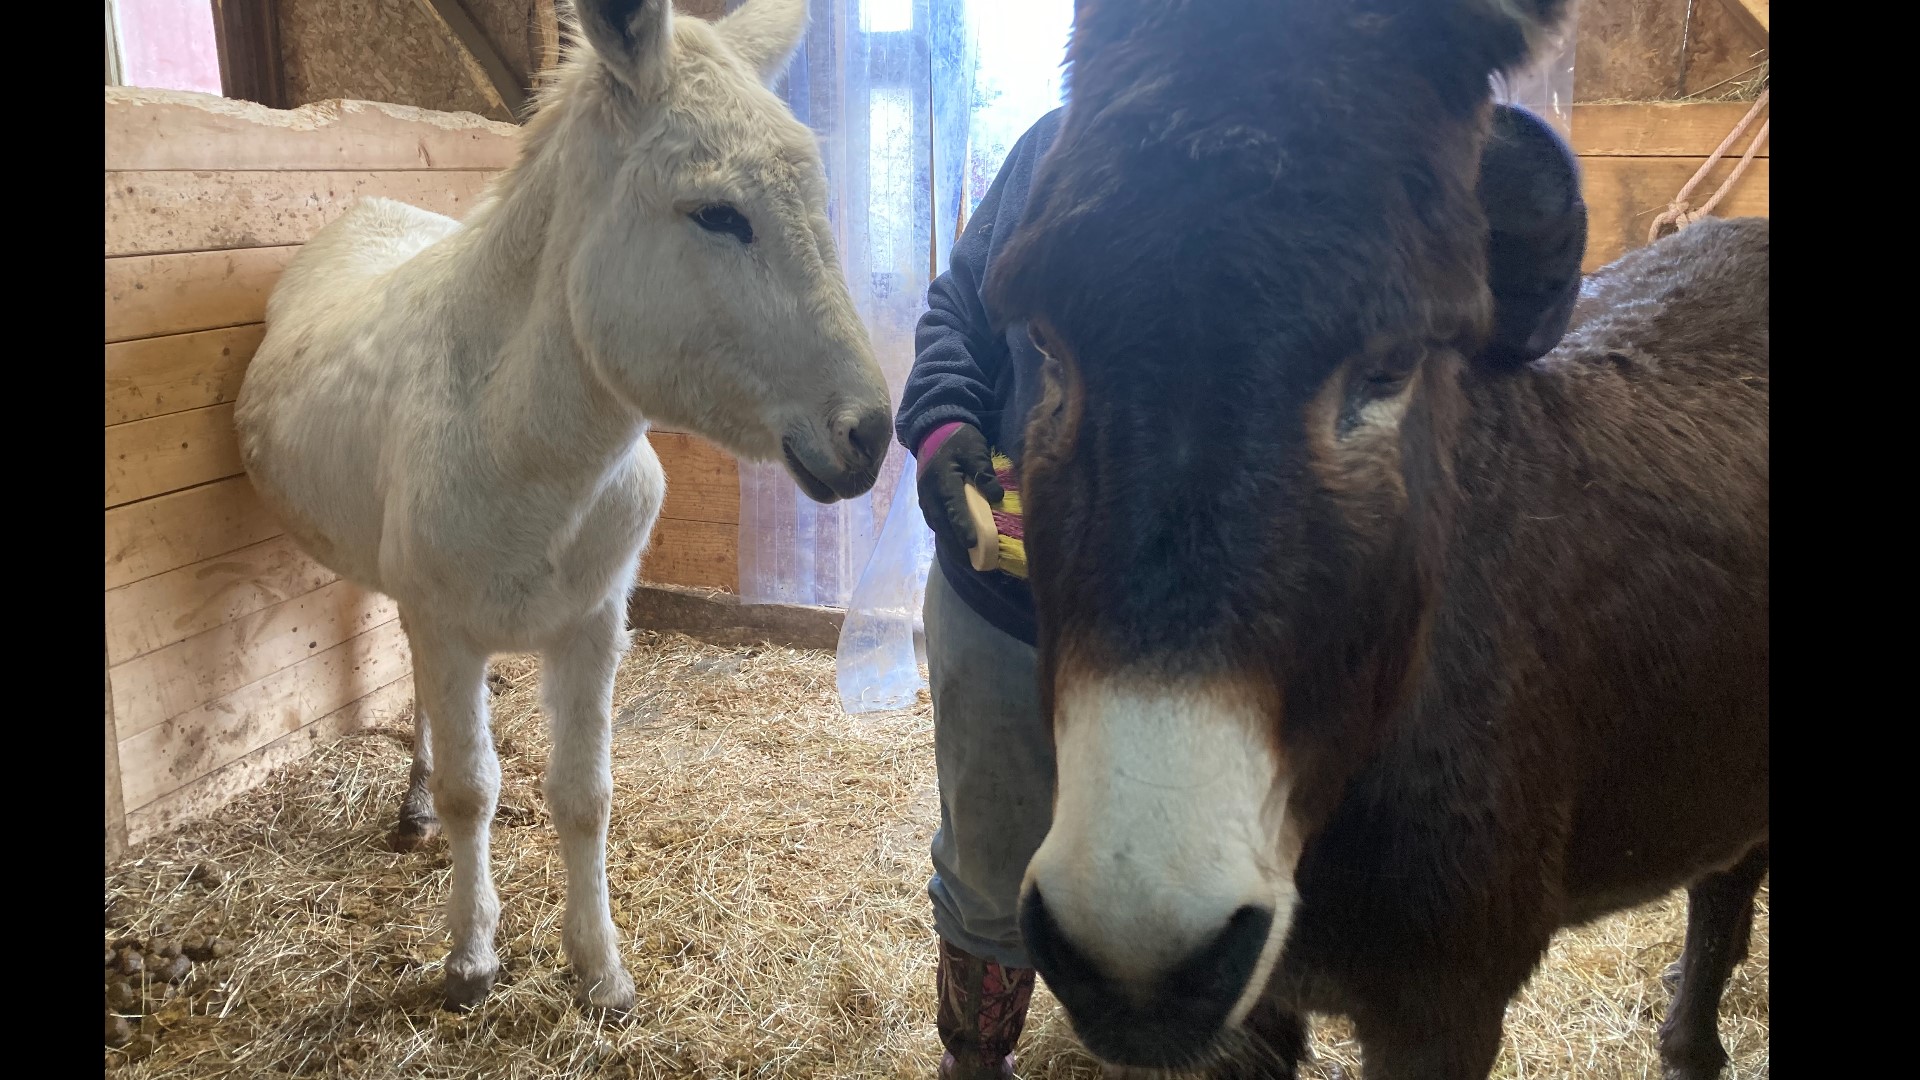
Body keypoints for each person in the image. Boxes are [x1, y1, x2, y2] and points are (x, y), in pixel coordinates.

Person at [895, 102, 1588, 1080]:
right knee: (987, 866)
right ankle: (977, 1058)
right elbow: (961, 303)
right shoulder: (1055, 153)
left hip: (1173, 624)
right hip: (1002, 601)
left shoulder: (1302, 188)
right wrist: (939, 423)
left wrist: (1502, 169)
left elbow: (1518, 325)